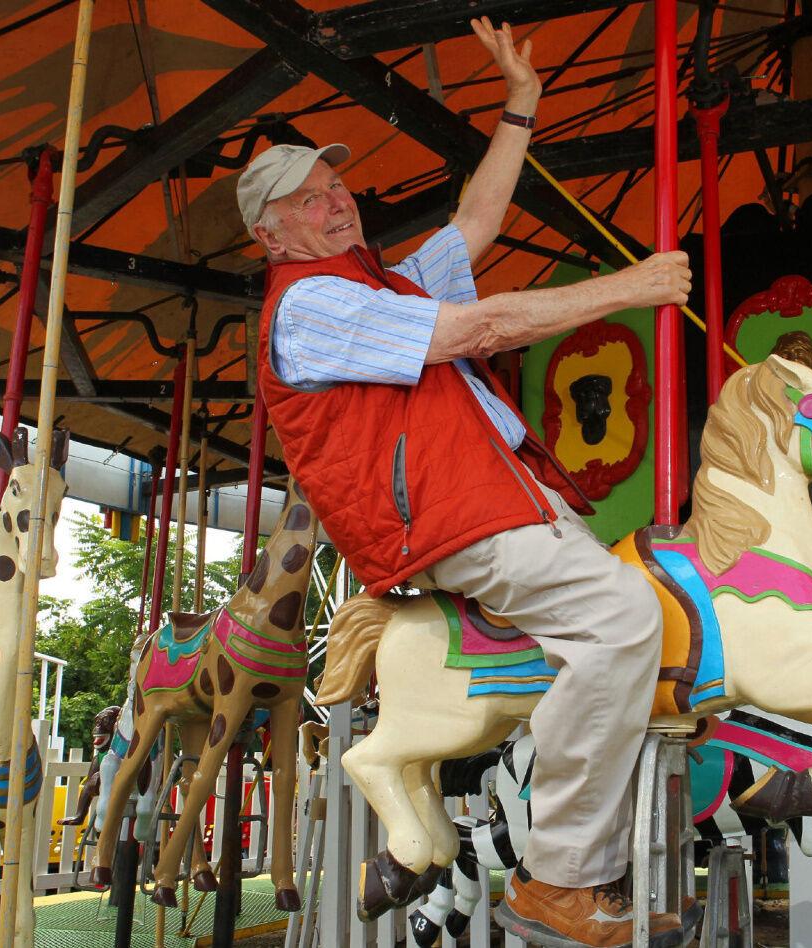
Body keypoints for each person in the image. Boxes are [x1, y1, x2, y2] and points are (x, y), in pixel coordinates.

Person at [236, 18, 691, 948]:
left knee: (663, 603)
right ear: (268, 235)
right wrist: (629, 288)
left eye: (336, 186)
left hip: (509, 496)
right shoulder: (313, 304)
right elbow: (473, 333)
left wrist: (519, 105)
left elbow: (475, 225)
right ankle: (558, 880)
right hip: (456, 519)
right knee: (623, 618)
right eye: (310, 201)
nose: (337, 203)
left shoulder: (387, 282)